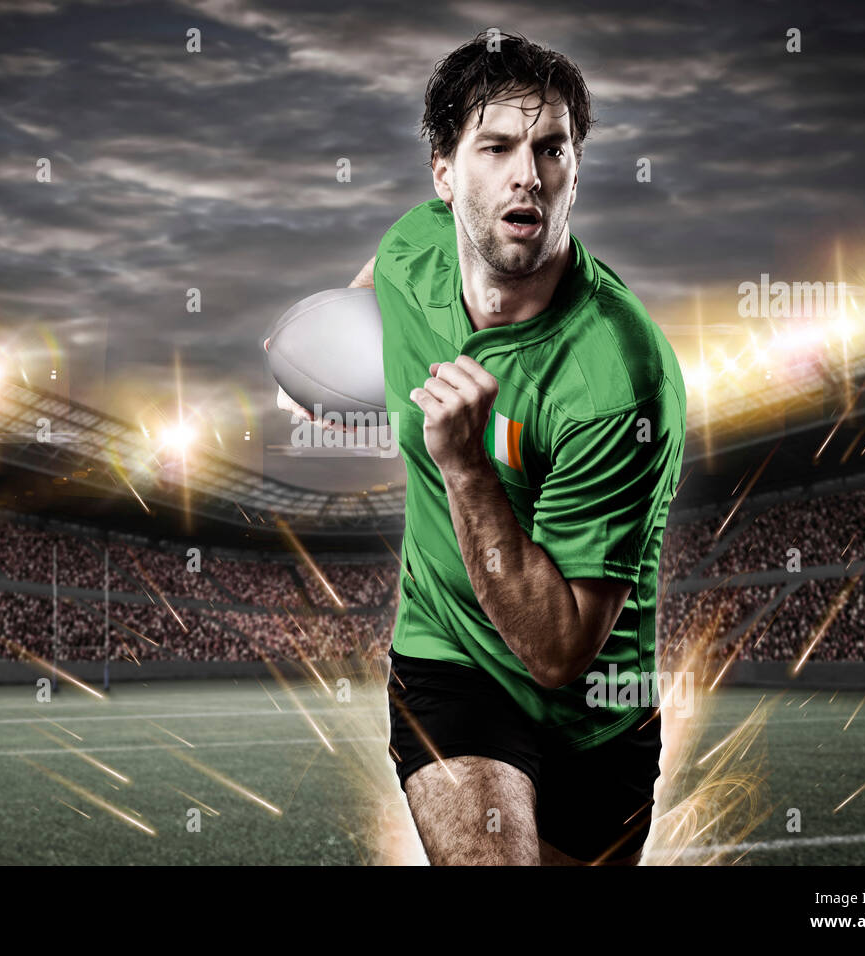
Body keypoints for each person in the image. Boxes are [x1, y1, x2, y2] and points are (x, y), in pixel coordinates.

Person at [273, 30, 685, 866]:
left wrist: (464, 467)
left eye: (551, 148)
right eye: (495, 146)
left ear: (576, 171)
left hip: (593, 708)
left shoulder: (618, 377)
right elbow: (353, 327)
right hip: (449, 663)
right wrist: (322, 384)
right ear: (444, 172)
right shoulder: (408, 248)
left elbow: (560, 650)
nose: (526, 173)